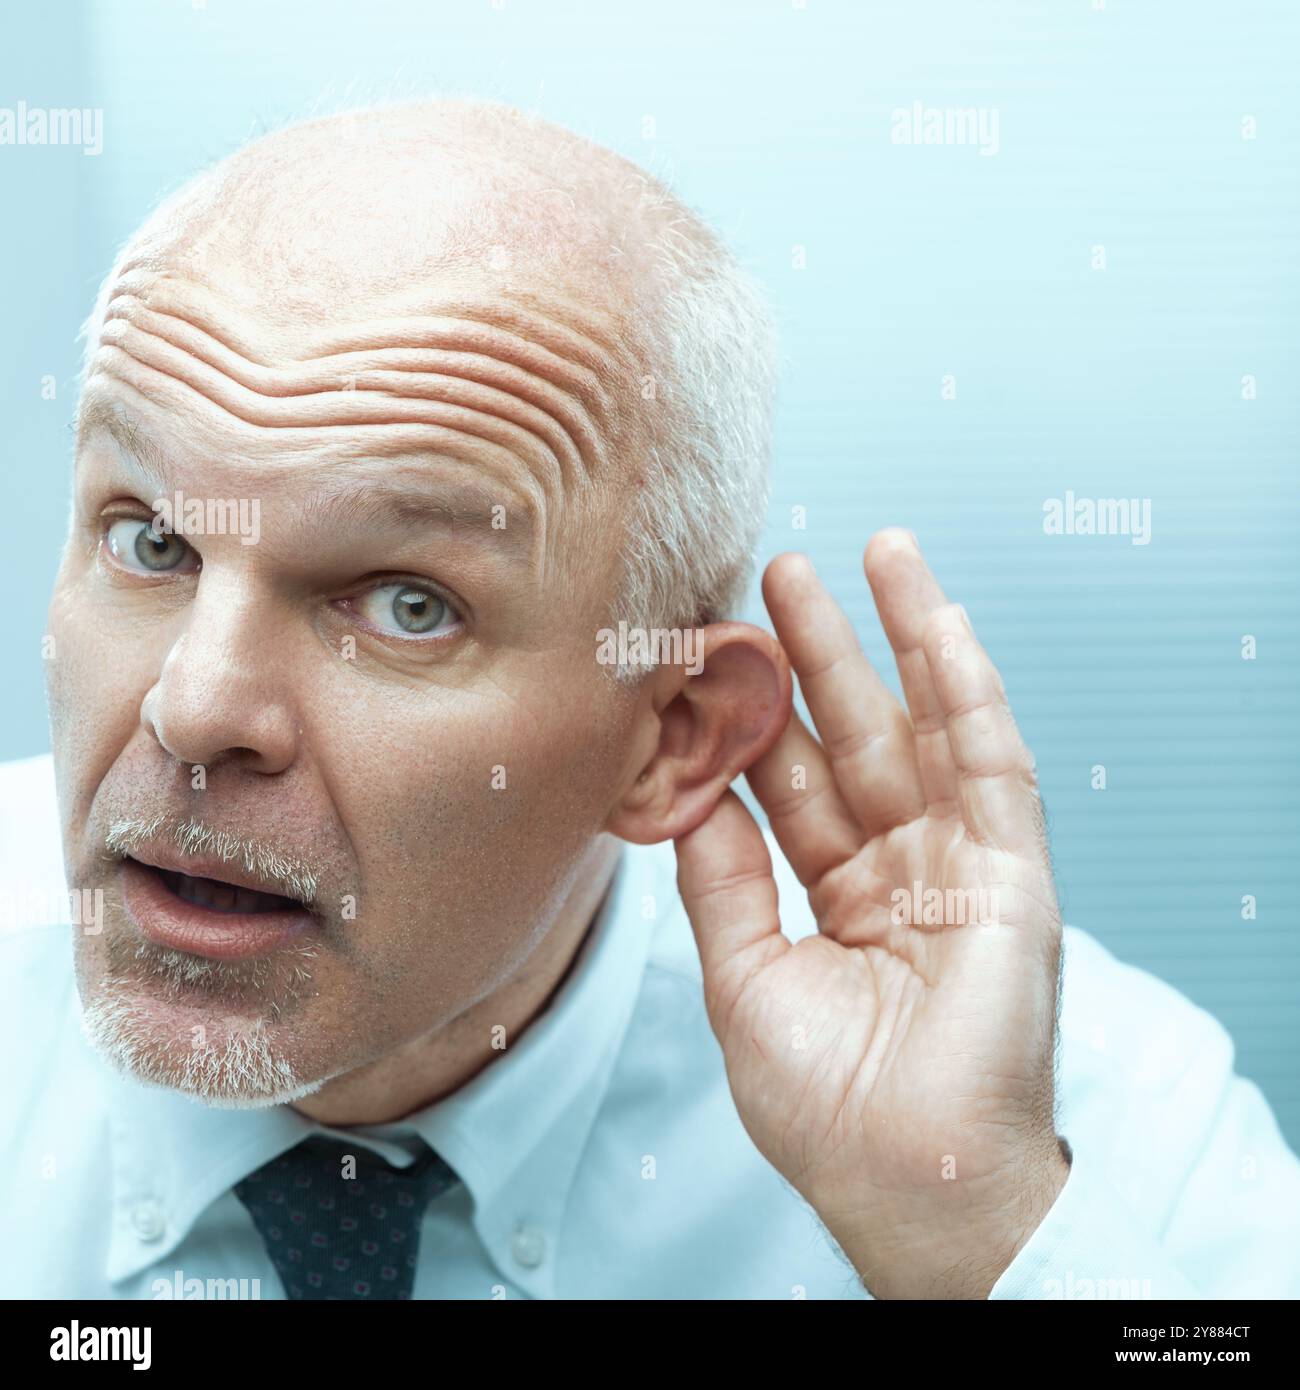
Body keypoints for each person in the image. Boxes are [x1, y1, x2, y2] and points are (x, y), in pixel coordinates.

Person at [3, 97, 1297, 1300]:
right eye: (151, 541)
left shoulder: (1087, 1131)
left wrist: (971, 1231)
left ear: (669, 735)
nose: (197, 705)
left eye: (405, 602)